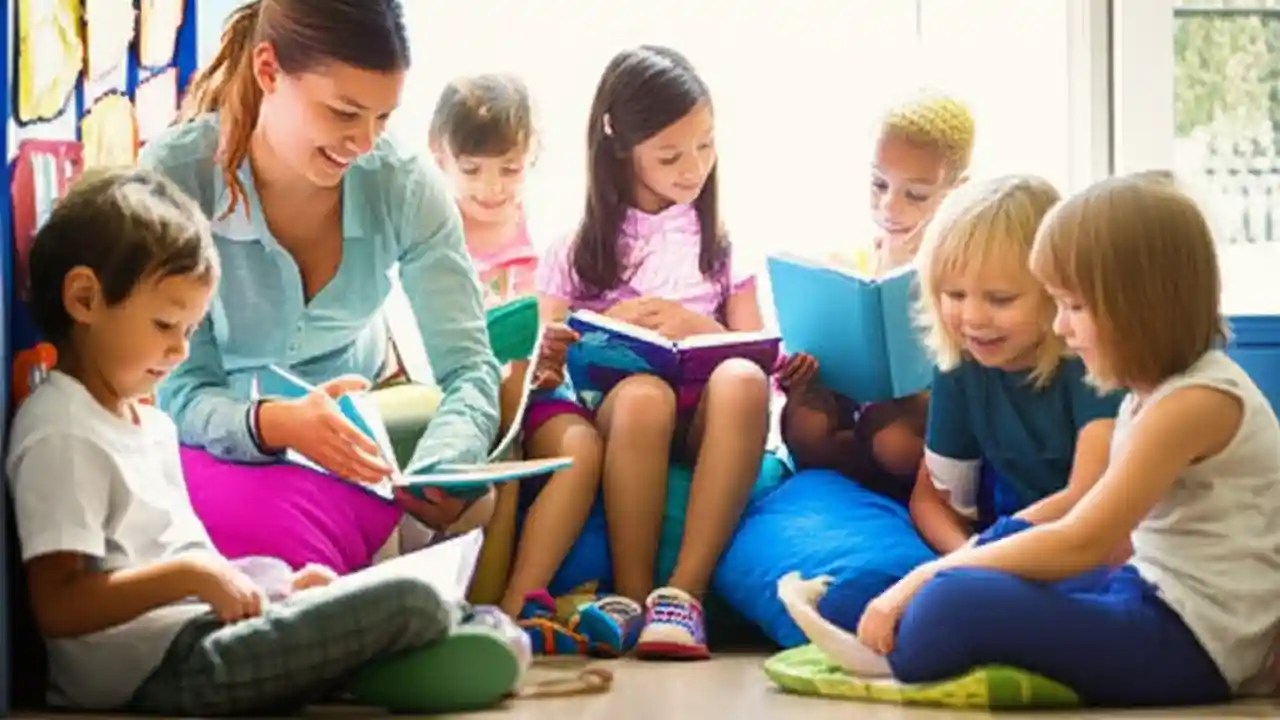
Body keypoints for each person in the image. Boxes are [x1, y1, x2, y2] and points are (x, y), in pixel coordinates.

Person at [7, 166, 520, 716]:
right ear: (85, 300)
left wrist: (278, 589)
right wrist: (194, 577)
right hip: (157, 673)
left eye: (190, 331)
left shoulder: (148, 424)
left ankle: (399, 649)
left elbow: (187, 559)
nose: (180, 352)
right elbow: (59, 605)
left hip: (198, 632)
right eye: (164, 325)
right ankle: (391, 653)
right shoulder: (61, 428)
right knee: (412, 603)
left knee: (358, 594)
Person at [852, 172, 1280, 707]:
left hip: (1191, 641)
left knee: (944, 612)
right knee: (915, 600)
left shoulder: (1193, 403)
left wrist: (932, 573)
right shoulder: (1148, 397)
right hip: (1144, 593)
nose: (1060, 327)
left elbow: (1086, 539)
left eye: (1073, 307)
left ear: (1138, 307)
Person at [141, 0, 501, 566]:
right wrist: (272, 425)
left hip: (359, 426)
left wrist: (442, 466)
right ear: (268, 72)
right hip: (224, 426)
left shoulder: (403, 186)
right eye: (343, 112)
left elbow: (470, 367)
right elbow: (180, 388)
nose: (363, 143)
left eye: (382, 118)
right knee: (263, 534)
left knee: (477, 496)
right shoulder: (176, 178)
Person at [514, 45, 772, 661]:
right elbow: (546, 367)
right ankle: (631, 596)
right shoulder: (573, 250)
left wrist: (693, 324)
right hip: (625, 408)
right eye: (671, 154)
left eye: (706, 145)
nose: (694, 167)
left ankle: (682, 594)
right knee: (643, 399)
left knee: (740, 379)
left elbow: (760, 356)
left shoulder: (724, 245)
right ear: (620, 148)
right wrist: (600, 325)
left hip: (709, 411)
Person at [778, 89, 976, 505]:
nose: (890, 205)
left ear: (958, 191)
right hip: (850, 413)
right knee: (805, 421)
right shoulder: (853, 263)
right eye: (878, 184)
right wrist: (803, 370)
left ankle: (891, 496)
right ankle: (850, 494)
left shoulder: (966, 271)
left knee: (892, 439)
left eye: (916, 195)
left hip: (918, 419)